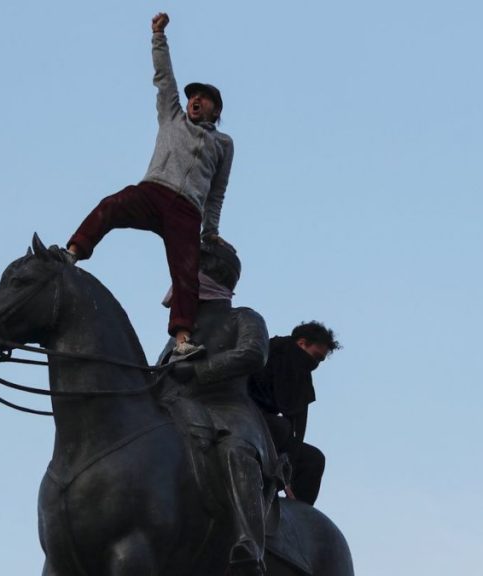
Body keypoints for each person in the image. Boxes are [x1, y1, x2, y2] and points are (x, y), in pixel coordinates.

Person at [66, 12, 233, 356]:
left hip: (187, 210)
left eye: (205, 99)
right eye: (193, 96)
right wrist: (158, 36)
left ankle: (183, 340)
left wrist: (210, 230)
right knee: (111, 205)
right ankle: (72, 253)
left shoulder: (223, 144)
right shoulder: (171, 115)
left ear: (216, 111)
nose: (196, 100)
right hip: (154, 190)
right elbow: (164, 77)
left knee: (186, 275)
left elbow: (217, 191)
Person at [160, 240, 275, 576]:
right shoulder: (181, 331)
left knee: (236, 453)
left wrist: (199, 371)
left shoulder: (244, 317)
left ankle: (249, 542)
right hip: (177, 408)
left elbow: (253, 354)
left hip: (227, 408)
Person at [248, 321, 340, 506]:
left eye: (319, 361)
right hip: (246, 415)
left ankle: (297, 512)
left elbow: (299, 422)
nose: (314, 364)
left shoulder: (302, 376)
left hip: (274, 430)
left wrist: (290, 461)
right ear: (301, 343)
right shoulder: (270, 351)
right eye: (315, 356)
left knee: (313, 459)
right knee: (281, 428)